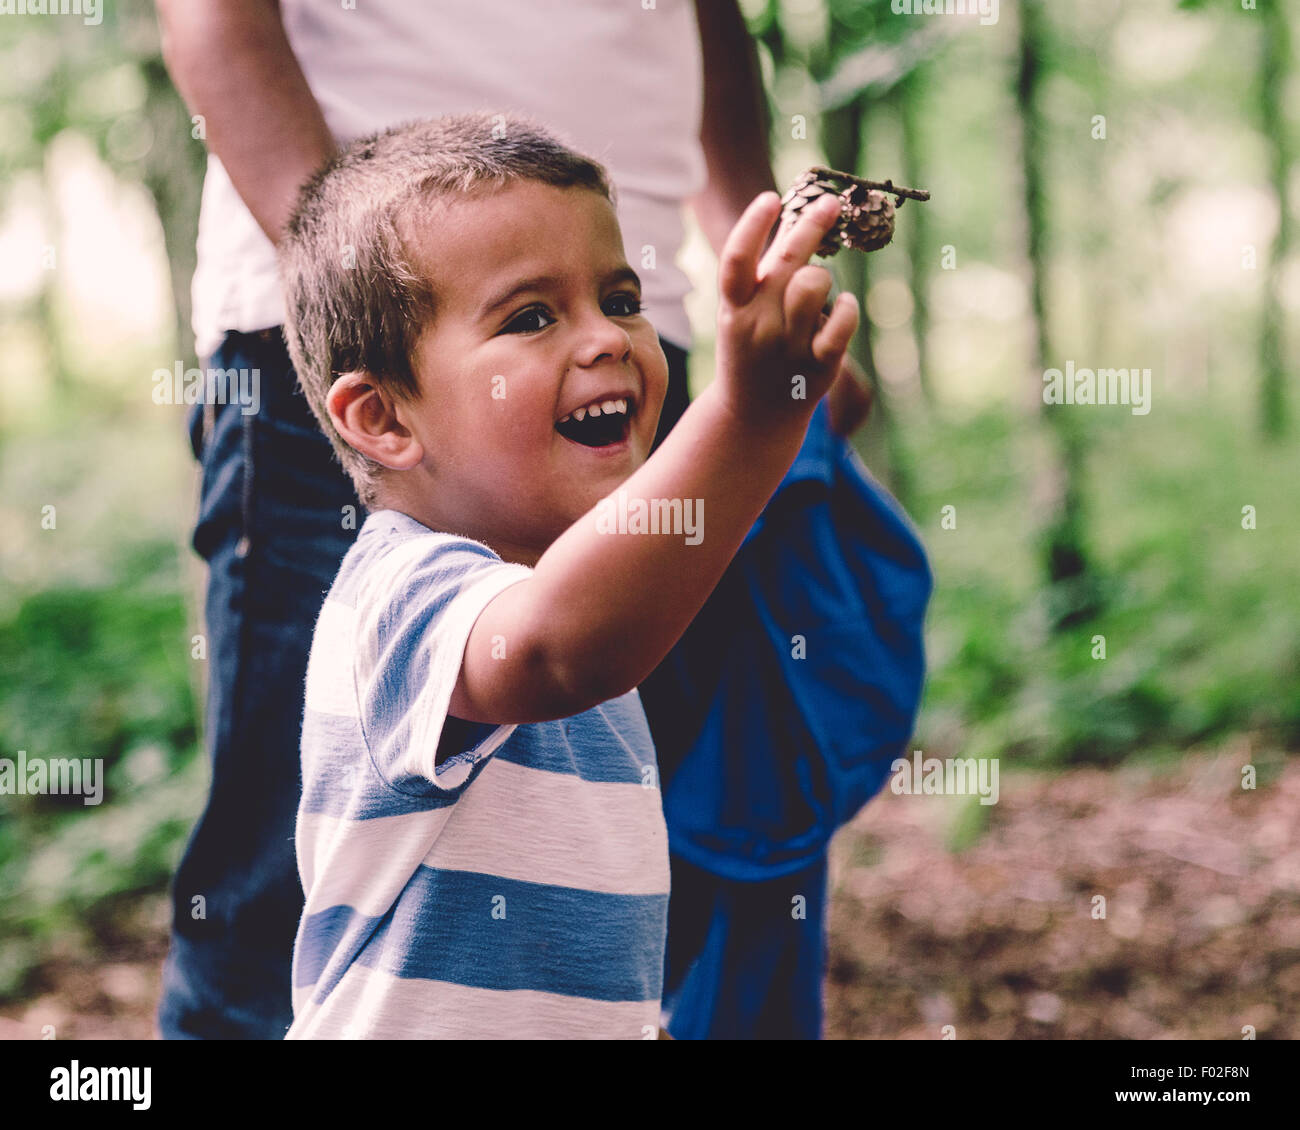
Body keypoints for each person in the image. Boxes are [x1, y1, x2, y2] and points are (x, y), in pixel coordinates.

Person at [155, 0, 881, 1040]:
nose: (606, 340)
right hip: (313, 293)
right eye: (532, 316)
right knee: (252, 909)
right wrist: (752, 420)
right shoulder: (405, 595)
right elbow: (551, 650)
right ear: (381, 417)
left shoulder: (585, 591)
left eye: (621, 297)